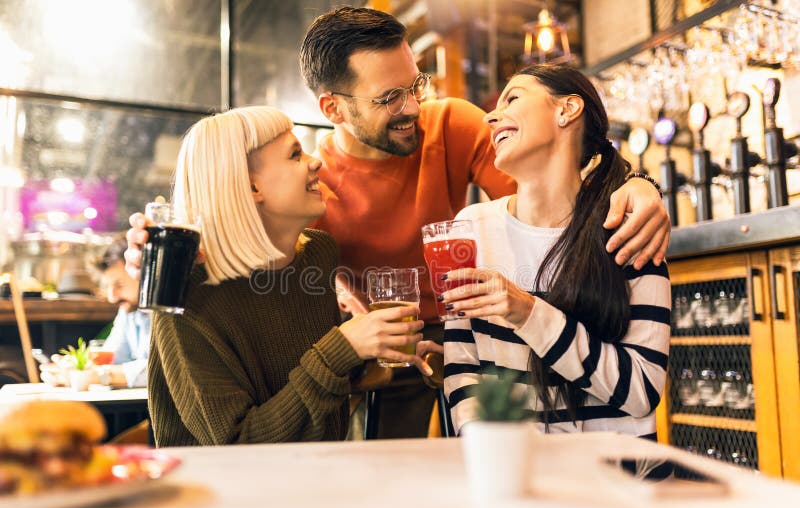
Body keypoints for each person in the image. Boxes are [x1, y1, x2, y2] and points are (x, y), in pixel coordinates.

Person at [128, 7, 670, 439]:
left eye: (416, 85)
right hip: (387, 356)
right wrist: (149, 260)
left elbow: (555, 189)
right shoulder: (316, 195)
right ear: (334, 108)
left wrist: (636, 181)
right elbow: (241, 237)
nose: (413, 106)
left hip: (482, 329)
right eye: (389, 98)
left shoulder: (451, 124)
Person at [143, 105, 431, 447]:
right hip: (220, 496)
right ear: (251, 186)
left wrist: (371, 348)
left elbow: (313, 379)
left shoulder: (318, 254)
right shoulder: (184, 295)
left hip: (317, 484)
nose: (315, 161)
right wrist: (344, 346)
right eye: (295, 155)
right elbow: (239, 445)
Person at [441, 65, 671, 440]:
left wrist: (527, 311)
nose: (491, 116)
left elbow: (641, 391)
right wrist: (492, 451)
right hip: (518, 480)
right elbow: (462, 368)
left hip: (618, 482)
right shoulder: (470, 229)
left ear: (567, 110)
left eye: (512, 97)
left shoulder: (627, 228)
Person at [96, 235, 150, 388]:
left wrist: (99, 376)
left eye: (119, 284)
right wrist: (74, 368)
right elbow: (112, 357)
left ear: (144, 274)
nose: (112, 297)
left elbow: (163, 370)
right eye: (108, 286)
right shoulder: (128, 311)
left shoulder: (170, 310)